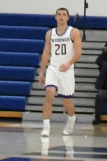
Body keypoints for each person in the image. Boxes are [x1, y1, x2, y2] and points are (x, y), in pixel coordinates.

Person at [38, 7, 82, 137]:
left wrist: (68, 64)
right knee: (50, 93)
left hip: (67, 70)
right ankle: (46, 127)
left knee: (66, 102)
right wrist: (42, 71)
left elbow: (79, 51)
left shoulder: (74, 32)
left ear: (68, 17)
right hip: (53, 68)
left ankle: (72, 118)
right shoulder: (50, 34)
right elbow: (46, 52)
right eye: (59, 14)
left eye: (64, 14)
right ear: (55, 17)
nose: (61, 17)